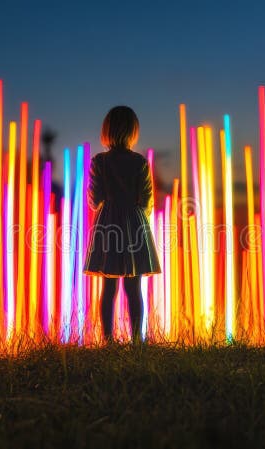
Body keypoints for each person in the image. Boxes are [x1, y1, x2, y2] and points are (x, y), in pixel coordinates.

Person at [83, 105, 161, 343]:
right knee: (134, 288)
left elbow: (94, 200)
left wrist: (107, 204)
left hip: (109, 227)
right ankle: (137, 341)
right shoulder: (139, 162)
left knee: (108, 289)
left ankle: (108, 341)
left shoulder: (99, 162)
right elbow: (146, 200)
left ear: (107, 130)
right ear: (133, 131)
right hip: (134, 225)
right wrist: (139, 215)